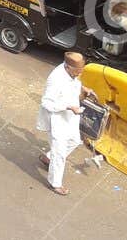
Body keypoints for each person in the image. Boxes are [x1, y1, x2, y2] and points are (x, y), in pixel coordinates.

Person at [37, 51, 89, 196]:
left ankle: (48, 157)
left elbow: (75, 82)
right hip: (56, 118)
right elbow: (46, 102)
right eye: (77, 72)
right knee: (59, 152)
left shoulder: (71, 71)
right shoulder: (56, 78)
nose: (79, 74)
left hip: (70, 116)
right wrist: (68, 107)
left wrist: (84, 89)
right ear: (67, 67)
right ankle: (55, 183)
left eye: (81, 71)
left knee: (74, 141)